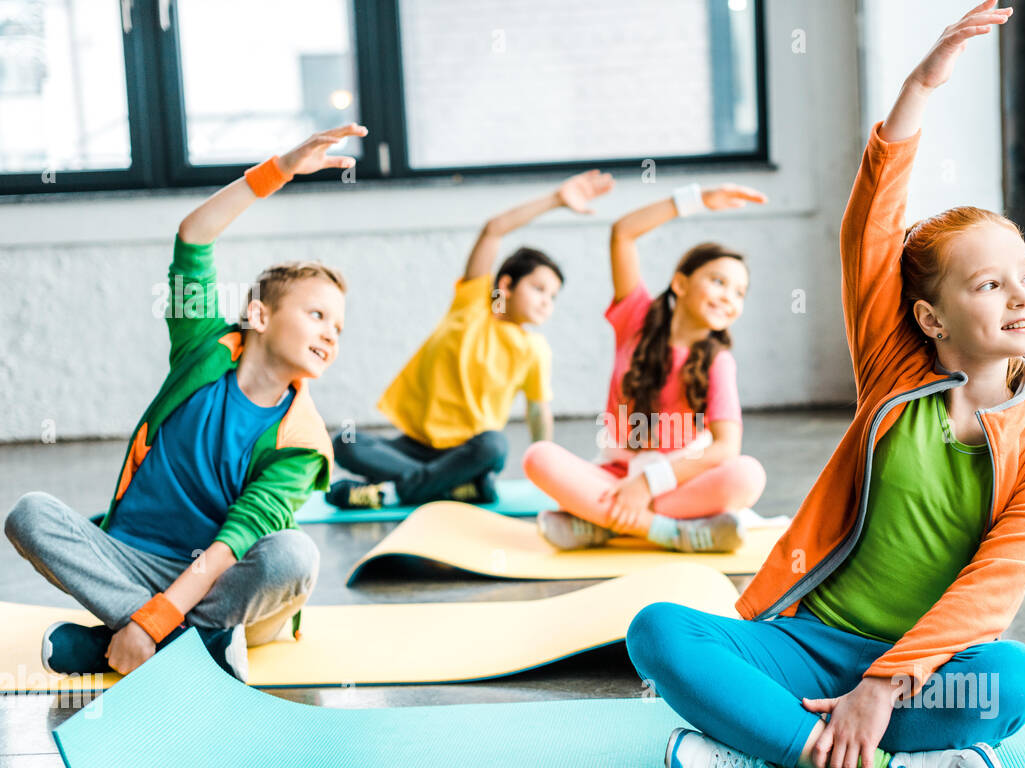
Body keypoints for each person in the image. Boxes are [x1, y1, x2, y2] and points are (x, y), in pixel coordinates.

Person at [626, 2, 1025, 768]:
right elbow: (871, 223)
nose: (1022, 294)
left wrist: (882, 685)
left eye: (1024, 275)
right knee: (658, 632)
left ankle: (752, 751)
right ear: (931, 320)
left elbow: (990, 590)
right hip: (804, 645)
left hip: (927, 665)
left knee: (1016, 681)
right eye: (988, 284)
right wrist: (922, 84)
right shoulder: (893, 372)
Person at [4, 124, 368, 681]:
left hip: (221, 581)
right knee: (30, 514)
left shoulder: (302, 441)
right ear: (260, 316)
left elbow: (232, 545)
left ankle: (123, 643)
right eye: (317, 315)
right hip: (132, 558)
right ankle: (196, 649)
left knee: (294, 557)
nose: (331, 334)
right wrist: (280, 171)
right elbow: (194, 237)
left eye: (339, 327)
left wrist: (151, 620)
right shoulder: (202, 345)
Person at [326, 171, 613, 509]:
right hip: (416, 446)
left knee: (494, 446)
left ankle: (390, 491)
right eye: (538, 288)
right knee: (345, 443)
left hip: (469, 452)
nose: (546, 301)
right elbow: (494, 229)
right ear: (505, 285)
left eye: (552, 296)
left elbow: (538, 411)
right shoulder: (473, 303)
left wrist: (547, 471)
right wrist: (556, 200)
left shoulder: (534, 350)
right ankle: (446, 487)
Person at [521, 181, 768, 554]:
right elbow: (623, 233)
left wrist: (648, 484)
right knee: (538, 458)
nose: (728, 298)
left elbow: (724, 448)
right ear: (681, 283)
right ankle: (668, 531)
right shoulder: (634, 319)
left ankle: (600, 522)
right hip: (615, 476)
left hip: (675, 483)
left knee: (748, 475)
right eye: (718, 281)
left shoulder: (719, 361)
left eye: (739, 292)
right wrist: (698, 199)